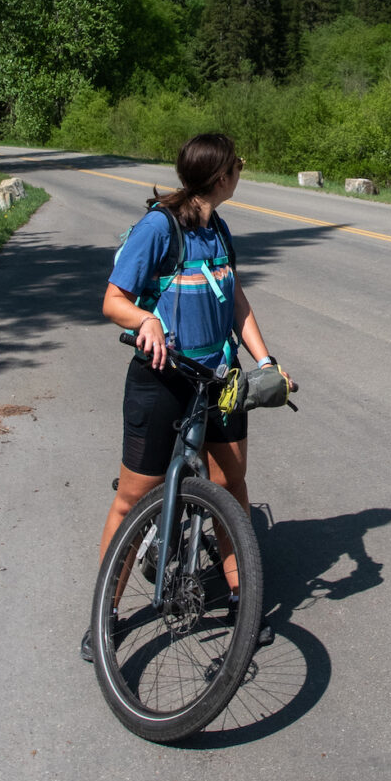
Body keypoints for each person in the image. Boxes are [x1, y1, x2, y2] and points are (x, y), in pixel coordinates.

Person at [82, 132, 288, 662]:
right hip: (163, 378)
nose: (242, 170)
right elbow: (113, 300)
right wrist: (145, 319)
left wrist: (265, 362)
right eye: (238, 165)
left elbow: (233, 295)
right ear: (220, 177)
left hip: (219, 379)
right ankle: (104, 612)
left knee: (231, 484)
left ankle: (243, 596)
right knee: (134, 497)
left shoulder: (218, 228)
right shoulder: (159, 228)